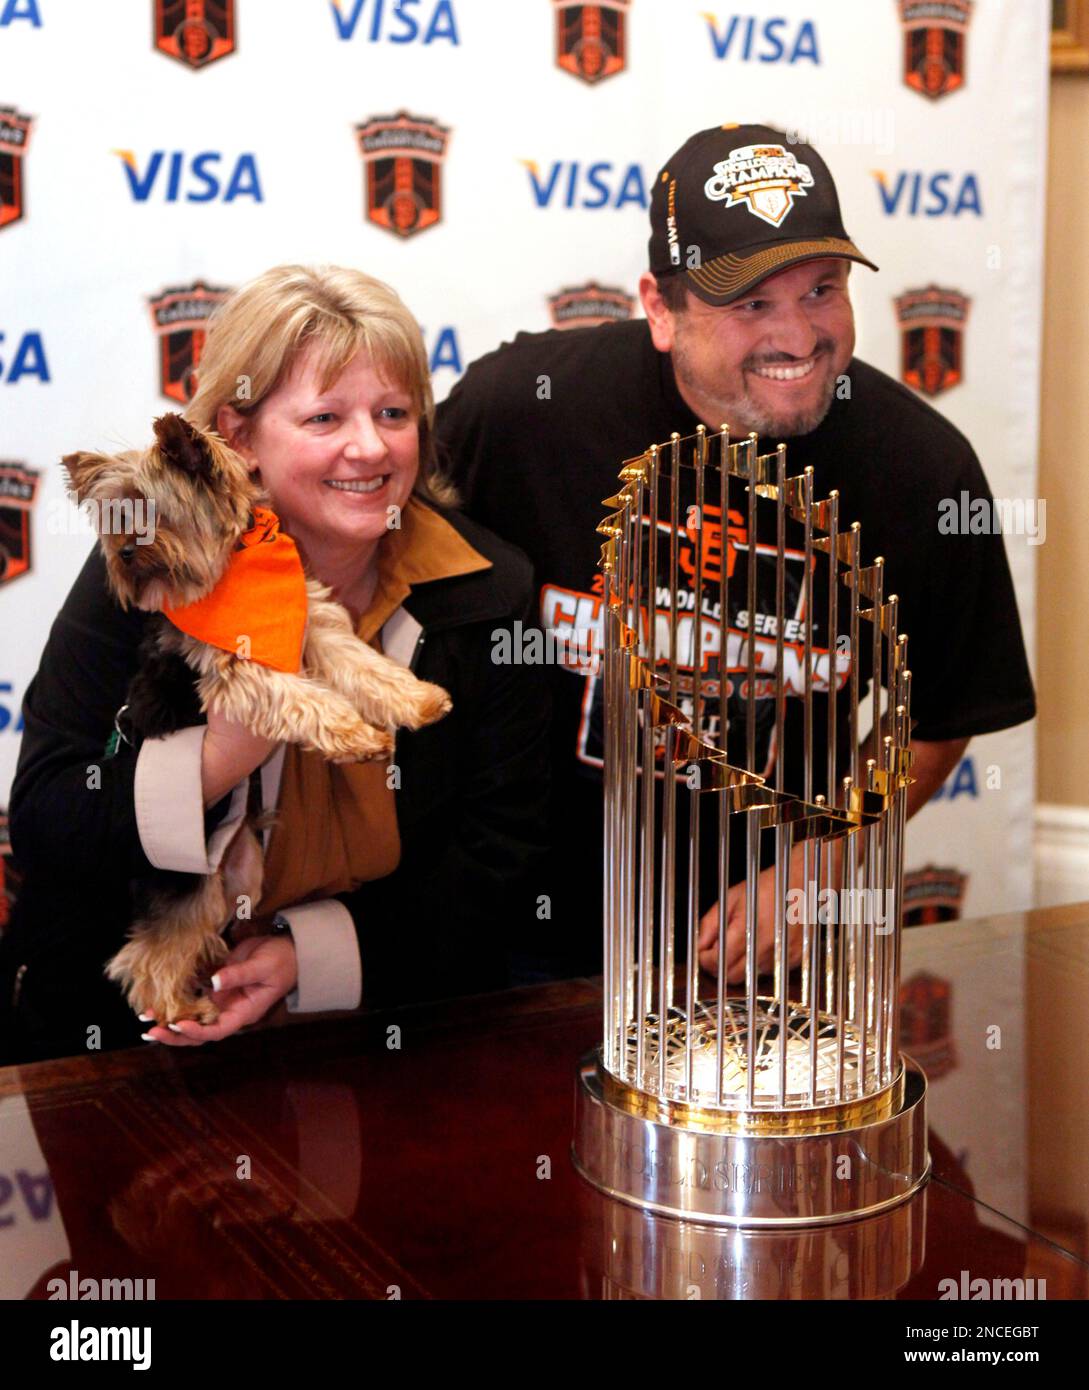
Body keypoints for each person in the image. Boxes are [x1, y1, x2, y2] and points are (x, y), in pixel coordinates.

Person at [435, 123, 1036, 982]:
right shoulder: (522, 410)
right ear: (658, 309)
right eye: (749, 303)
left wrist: (825, 859)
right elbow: (388, 572)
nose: (797, 337)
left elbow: (938, 721)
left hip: (757, 953)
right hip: (510, 930)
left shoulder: (923, 469)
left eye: (821, 290)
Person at [0, 265, 550, 1063]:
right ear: (240, 436)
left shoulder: (485, 587)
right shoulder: (155, 566)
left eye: (393, 413)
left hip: (383, 1035)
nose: (370, 446)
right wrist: (221, 756)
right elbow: (51, 823)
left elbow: (503, 858)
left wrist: (309, 957)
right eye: (325, 417)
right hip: (118, 1042)